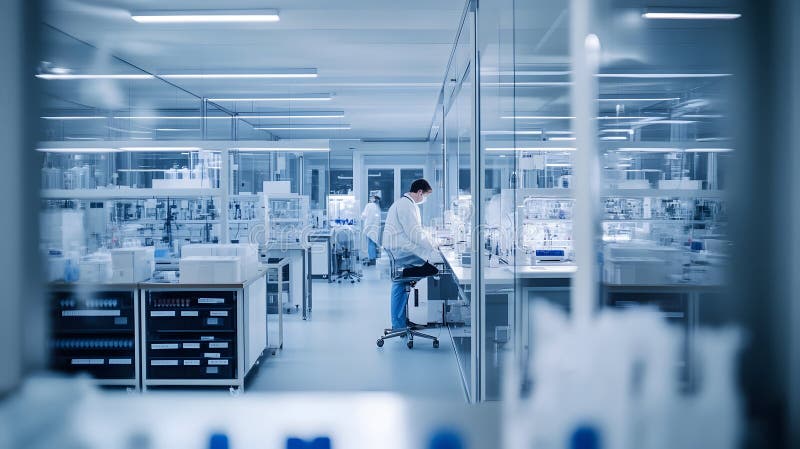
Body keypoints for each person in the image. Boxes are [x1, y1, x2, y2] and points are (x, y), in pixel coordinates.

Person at [382, 179, 442, 330]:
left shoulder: (406, 203)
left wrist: (430, 241)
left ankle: (402, 321)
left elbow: (416, 230)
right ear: (420, 192)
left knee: (406, 279)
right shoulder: (406, 205)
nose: (425, 199)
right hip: (400, 251)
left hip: (400, 250)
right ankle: (399, 324)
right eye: (425, 195)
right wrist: (433, 246)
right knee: (433, 268)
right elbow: (414, 234)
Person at [361, 195, 382, 265]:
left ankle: (372, 259)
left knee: (371, 244)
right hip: (374, 228)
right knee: (373, 243)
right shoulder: (377, 206)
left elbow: (364, 216)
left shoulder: (369, 205)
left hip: (369, 227)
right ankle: (373, 258)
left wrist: (361, 216)